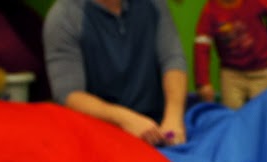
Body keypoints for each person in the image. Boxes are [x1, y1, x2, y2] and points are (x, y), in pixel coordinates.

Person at [43, 0, 187, 145]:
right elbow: (68, 94)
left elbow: (172, 59)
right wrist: (123, 119)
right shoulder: (64, 16)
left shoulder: (154, 4)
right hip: (104, 134)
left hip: (161, 124)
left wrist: (173, 118)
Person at [192, 0, 267, 109]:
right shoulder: (210, 11)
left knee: (262, 111)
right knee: (231, 111)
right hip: (232, 74)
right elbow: (201, 46)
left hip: (262, 70)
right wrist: (203, 83)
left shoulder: (254, 2)